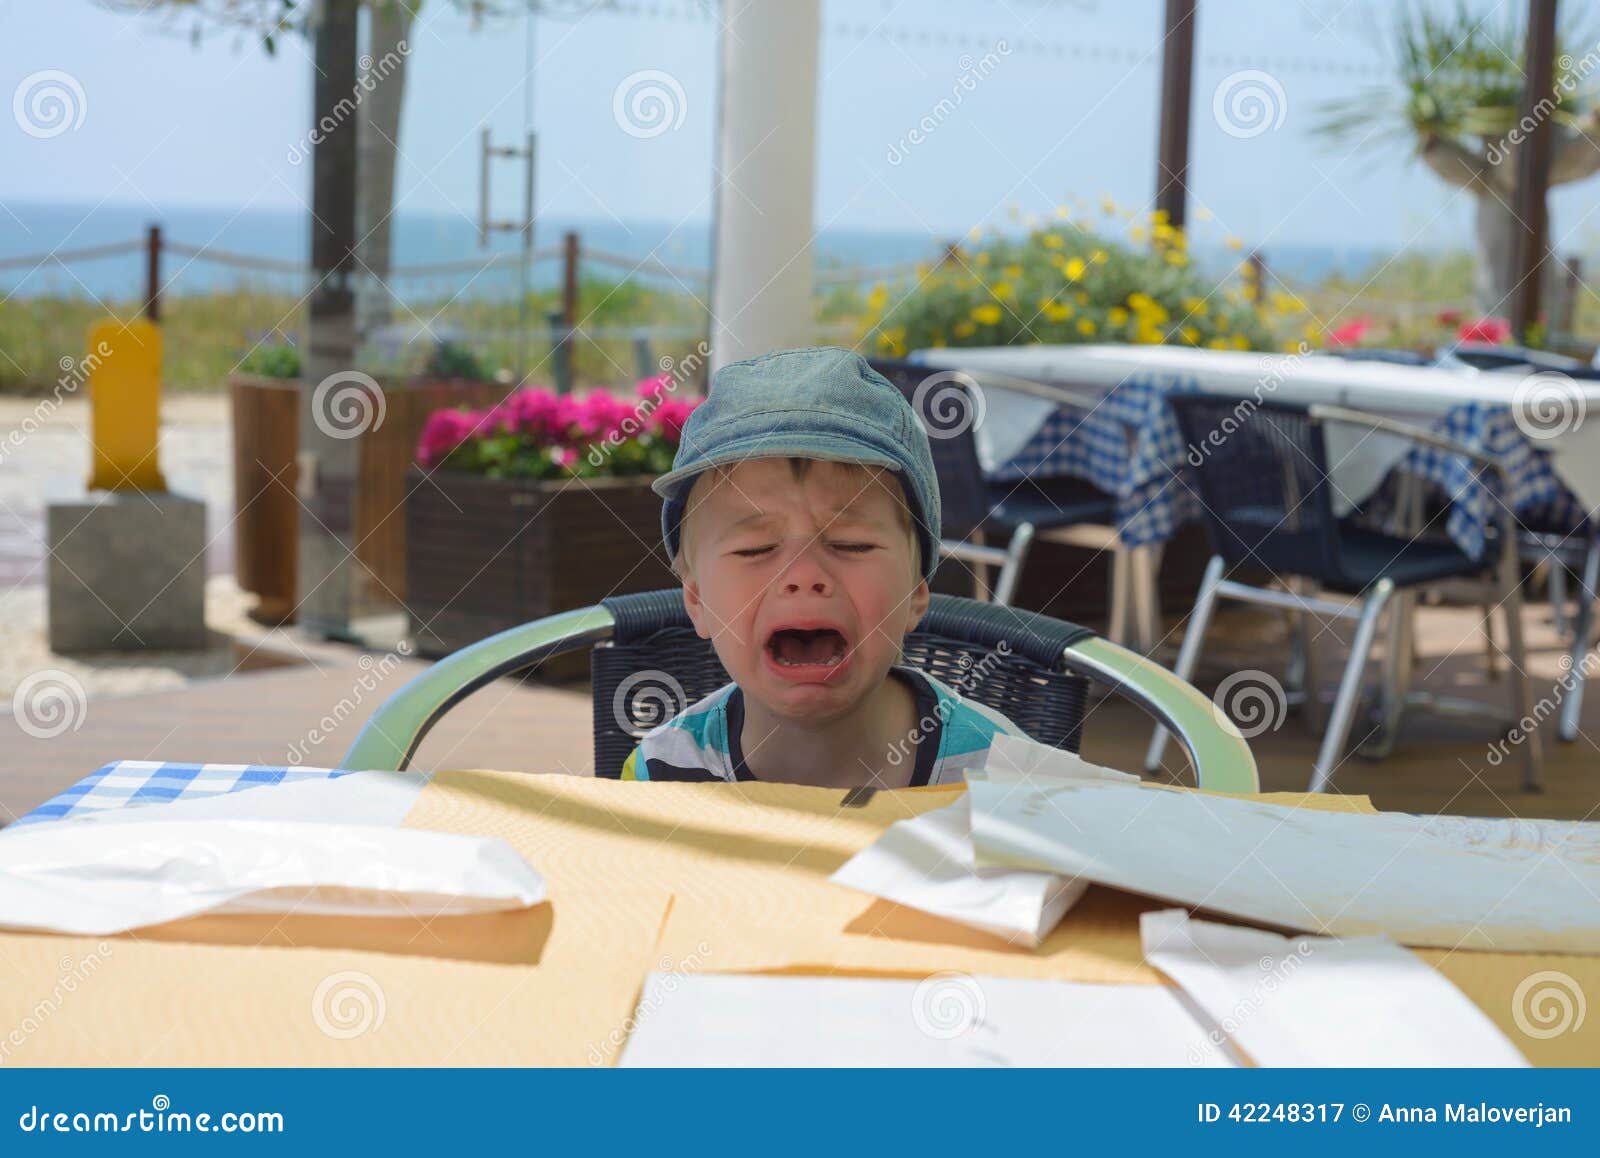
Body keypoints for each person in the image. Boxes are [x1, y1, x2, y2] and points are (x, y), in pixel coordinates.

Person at [620, 347, 1027, 788]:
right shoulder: (663, 773)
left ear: (916, 592)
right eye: (755, 549)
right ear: (696, 600)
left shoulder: (999, 774)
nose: (802, 575)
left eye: (850, 543)